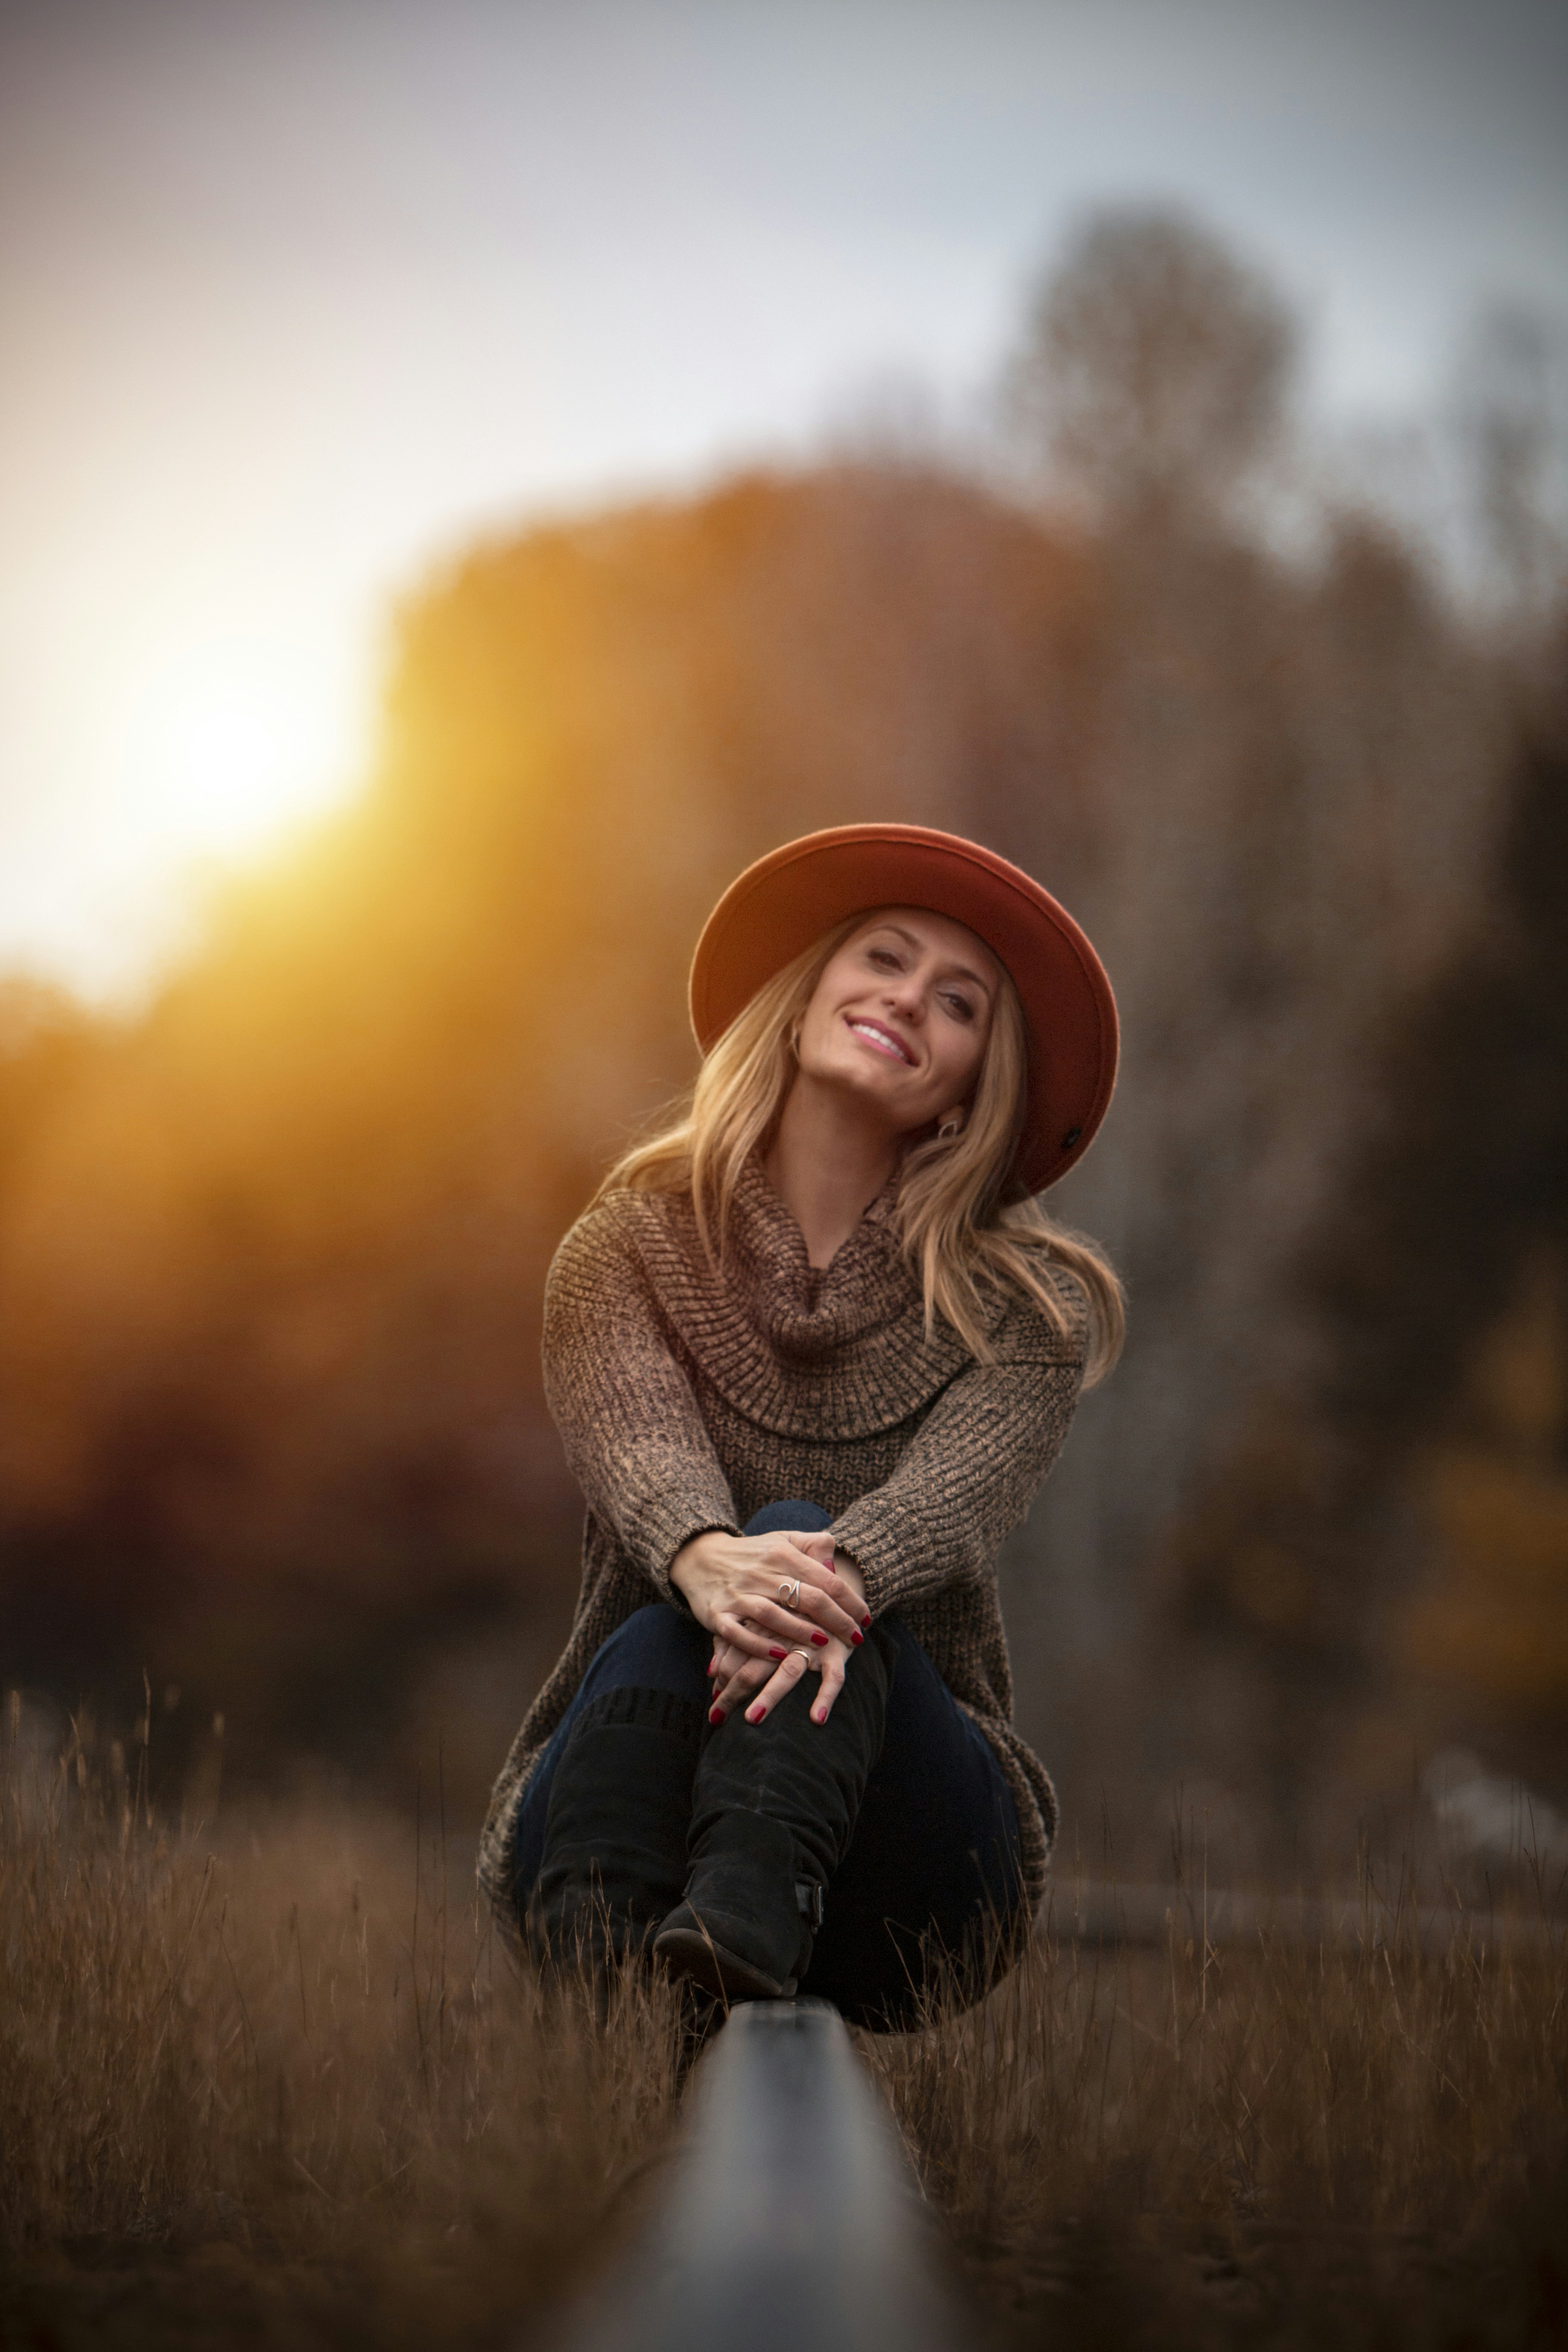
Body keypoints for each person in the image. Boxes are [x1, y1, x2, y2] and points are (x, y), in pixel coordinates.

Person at [477, 823, 1123, 2030]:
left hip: (914, 1863)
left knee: (800, 1541)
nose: (907, 1000)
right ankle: (609, 1962)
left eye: (960, 1003)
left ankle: (745, 1910)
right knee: (684, 1613)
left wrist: (808, 1576)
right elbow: (641, 1444)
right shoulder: (622, 1252)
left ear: (980, 1081)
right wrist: (703, 1564)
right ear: (809, 989)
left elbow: (947, 1503)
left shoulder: (1029, 1314)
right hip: (631, 1796)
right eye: (882, 958)